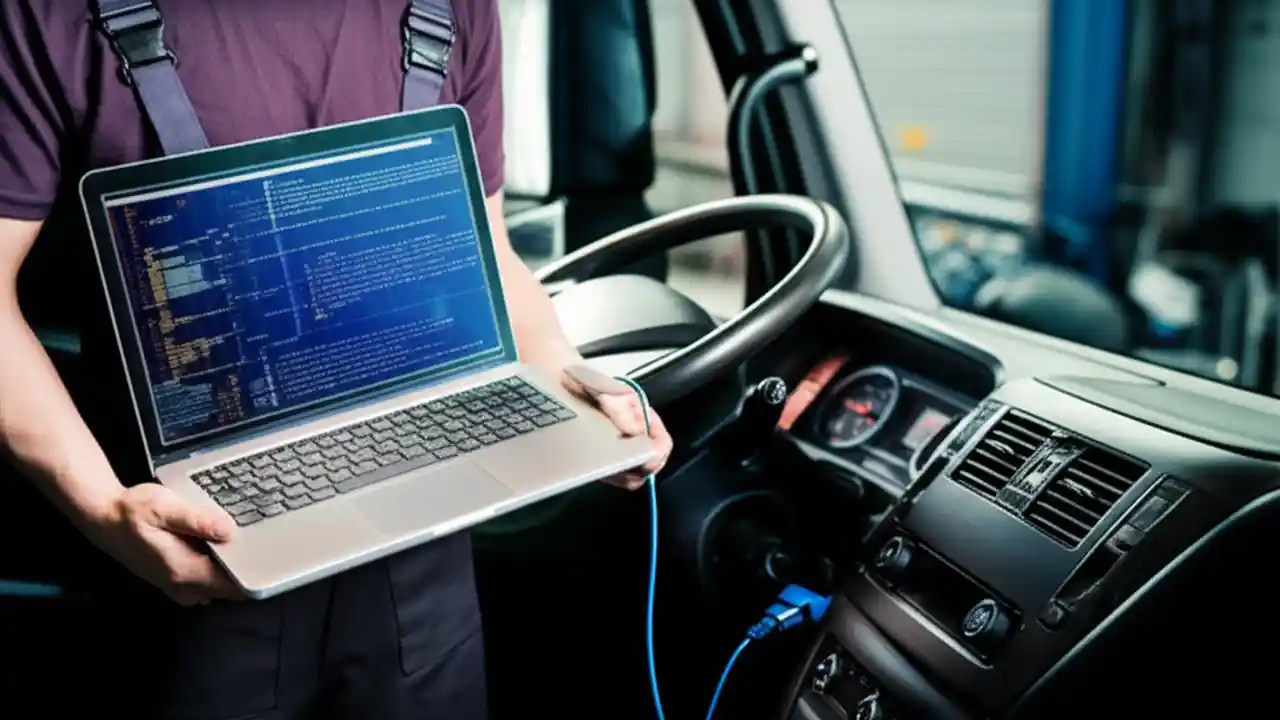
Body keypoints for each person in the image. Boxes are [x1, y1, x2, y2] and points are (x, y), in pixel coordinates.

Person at [0, 0, 673, 717]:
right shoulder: (48, 15)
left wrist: (570, 378)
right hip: (194, 564)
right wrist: (104, 509)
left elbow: (489, 254)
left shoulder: (455, 7)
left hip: (425, 559)